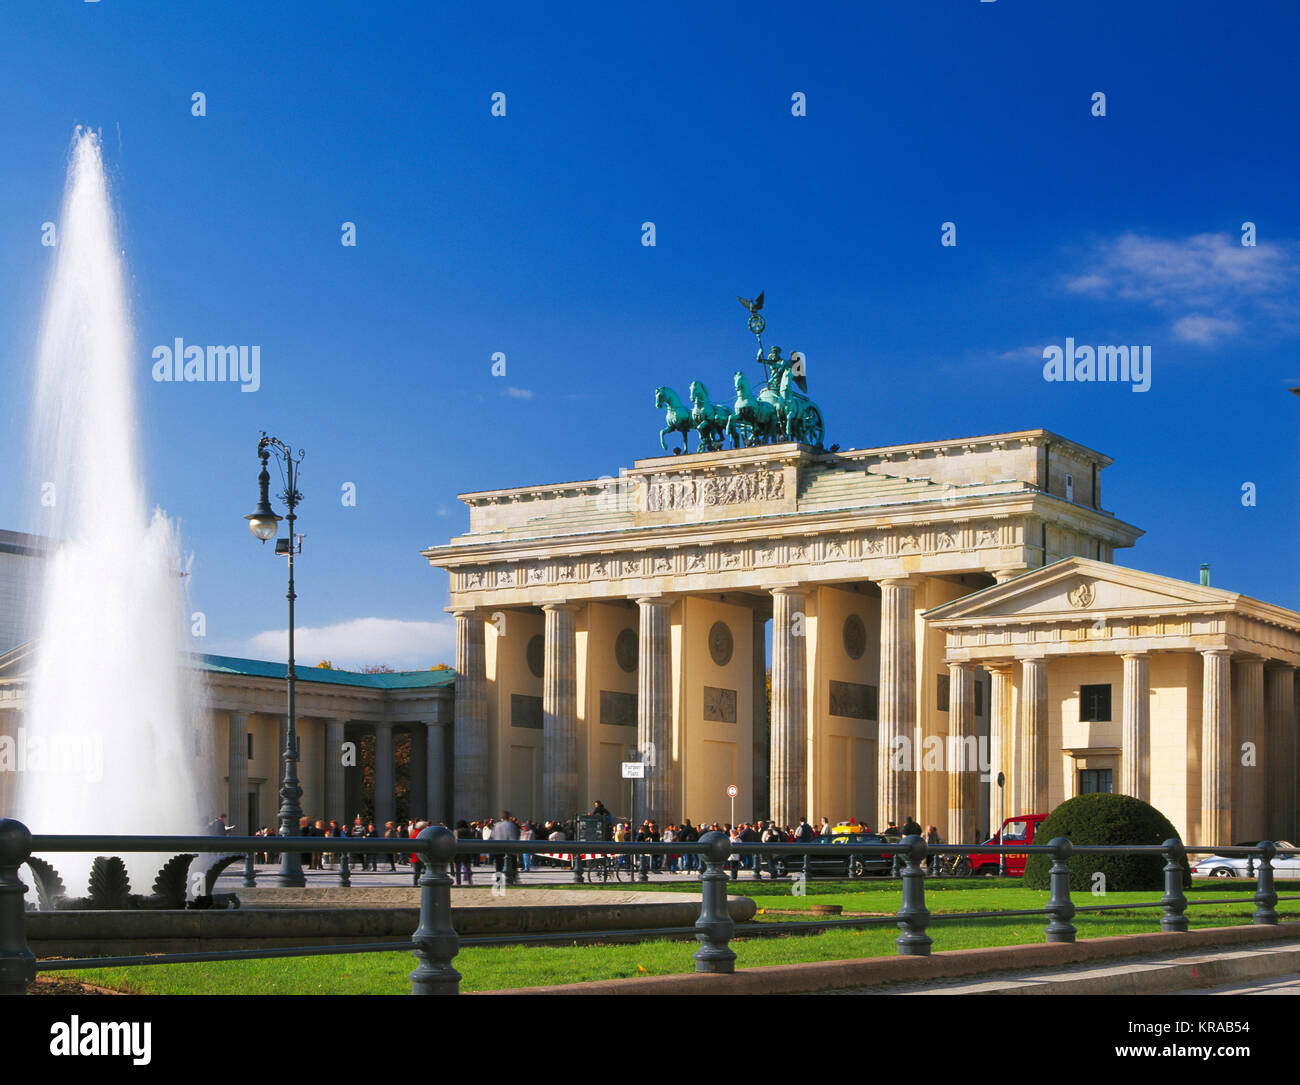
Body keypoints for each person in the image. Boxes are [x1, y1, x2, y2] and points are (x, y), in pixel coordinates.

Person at [490, 810, 520, 884]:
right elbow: (513, 837)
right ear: (509, 817)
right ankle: (512, 880)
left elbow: (492, 837)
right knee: (513, 865)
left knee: (499, 866)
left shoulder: (496, 825)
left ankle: (499, 882)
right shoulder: (511, 825)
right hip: (509, 848)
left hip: (498, 848)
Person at [453, 820, 474, 886]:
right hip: (467, 851)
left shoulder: (456, 831)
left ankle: (458, 883)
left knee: (458, 869)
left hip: (458, 852)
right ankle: (470, 882)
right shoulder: (469, 831)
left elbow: (454, 842)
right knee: (468, 868)